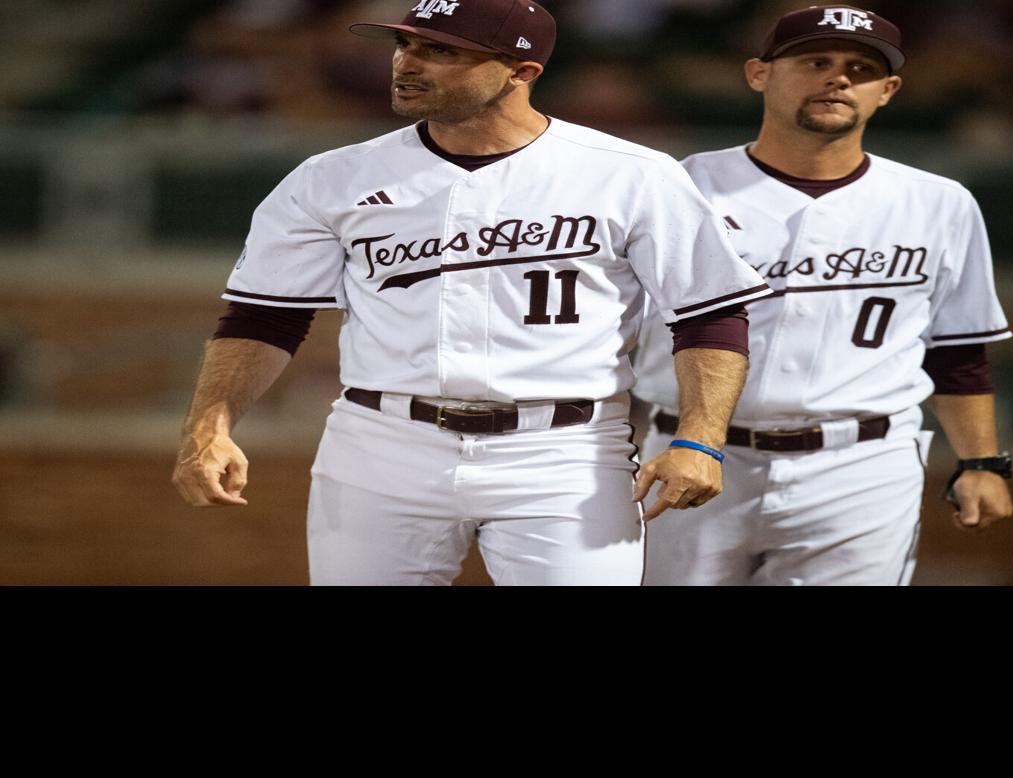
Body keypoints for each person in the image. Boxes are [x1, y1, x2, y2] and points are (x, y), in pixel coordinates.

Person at [171, 0, 772, 586]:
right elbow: (263, 318)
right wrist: (209, 426)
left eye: (441, 51)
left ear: (522, 71)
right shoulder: (331, 178)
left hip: (564, 454)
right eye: (405, 44)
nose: (407, 62)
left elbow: (710, 316)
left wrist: (700, 439)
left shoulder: (630, 174)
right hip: (381, 446)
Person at [632, 4, 1013, 586]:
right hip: (694, 454)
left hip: (862, 466)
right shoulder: (681, 186)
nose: (839, 78)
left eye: (861, 69)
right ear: (759, 74)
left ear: (887, 91)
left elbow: (957, 351)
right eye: (816, 60)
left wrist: (982, 461)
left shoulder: (940, 202)